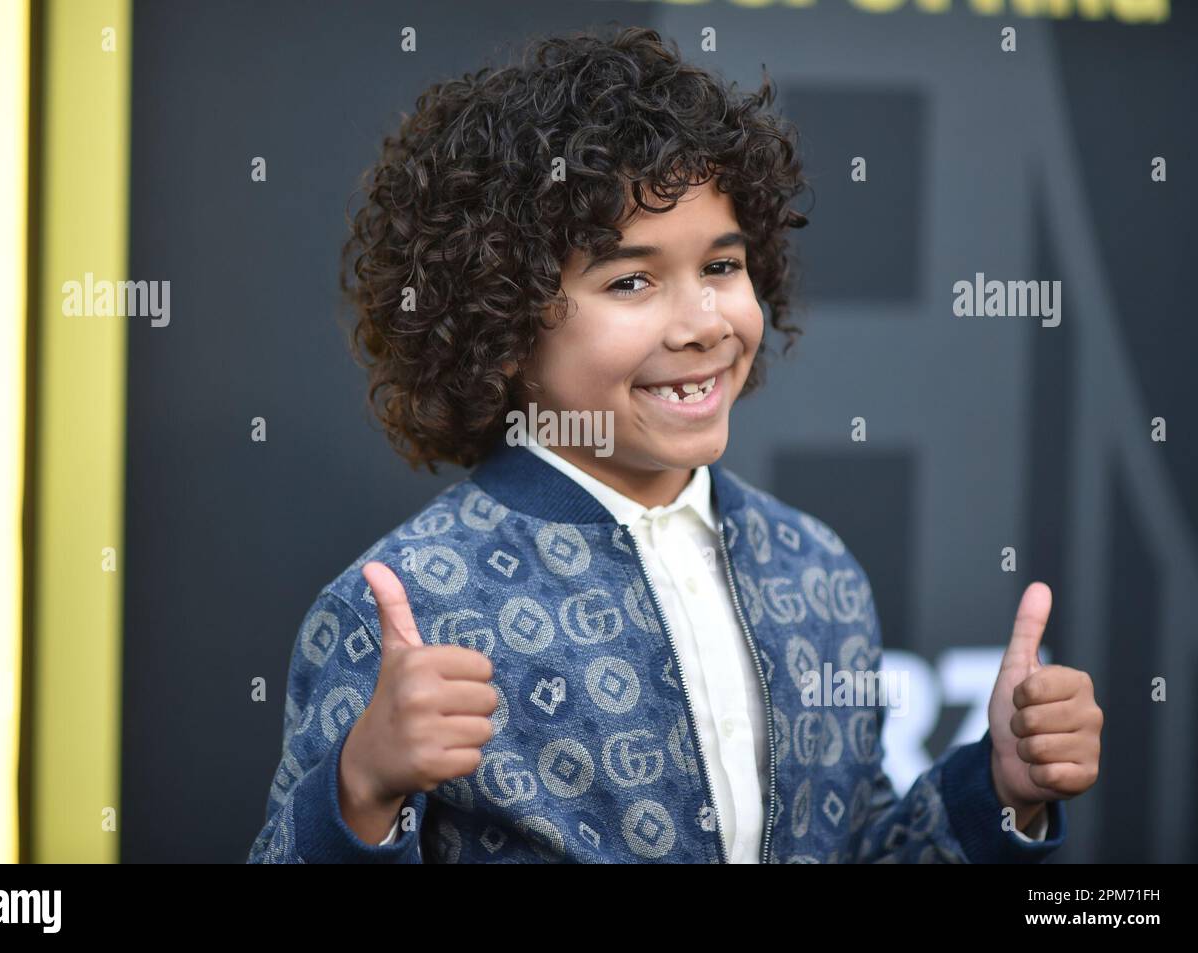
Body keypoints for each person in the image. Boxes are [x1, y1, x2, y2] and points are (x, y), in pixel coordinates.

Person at [248, 26, 1102, 864]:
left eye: (723, 267)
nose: (702, 323)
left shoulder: (817, 571)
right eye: (631, 280)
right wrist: (360, 789)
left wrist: (997, 790)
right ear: (500, 327)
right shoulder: (406, 612)